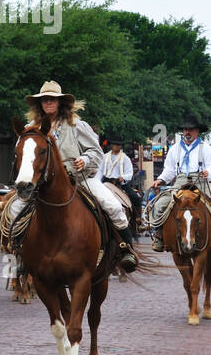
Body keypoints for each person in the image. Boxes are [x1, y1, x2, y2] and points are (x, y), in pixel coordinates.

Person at [13, 81, 137, 271]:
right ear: (39, 103)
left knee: (112, 205)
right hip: (41, 184)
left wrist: (85, 160)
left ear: (60, 102)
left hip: (78, 180)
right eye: (44, 99)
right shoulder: (31, 128)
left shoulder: (77, 125)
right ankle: (20, 254)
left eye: (52, 99)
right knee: (14, 210)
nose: (48, 102)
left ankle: (126, 249)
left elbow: (95, 152)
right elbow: (23, 154)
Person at [149, 114, 211, 252]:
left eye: (191, 129)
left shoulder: (205, 147)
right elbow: (169, 170)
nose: (187, 132)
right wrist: (160, 179)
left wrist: (208, 172)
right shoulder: (175, 148)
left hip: (200, 180)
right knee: (159, 204)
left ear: (197, 131)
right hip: (180, 181)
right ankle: (159, 237)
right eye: (185, 129)